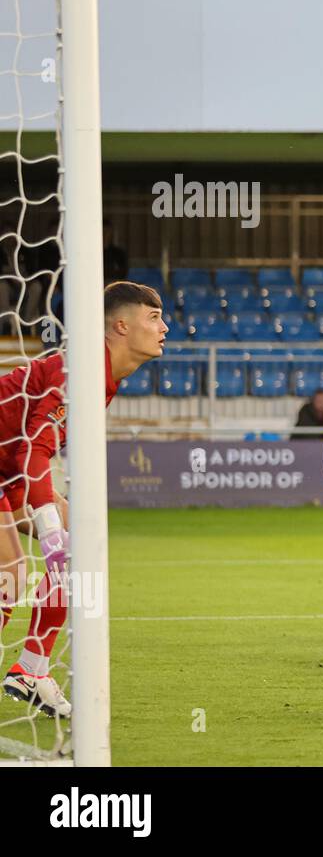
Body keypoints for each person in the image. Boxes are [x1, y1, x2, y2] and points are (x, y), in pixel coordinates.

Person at [0, 281, 167, 718]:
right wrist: (50, 528)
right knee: (15, 571)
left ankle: (32, 668)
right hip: (10, 464)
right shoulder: (82, 372)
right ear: (121, 325)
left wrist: (57, 526)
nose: (165, 327)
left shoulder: (105, 378)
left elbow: (29, 449)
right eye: (154, 318)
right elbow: (33, 449)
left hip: (7, 472)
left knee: (81, 545)